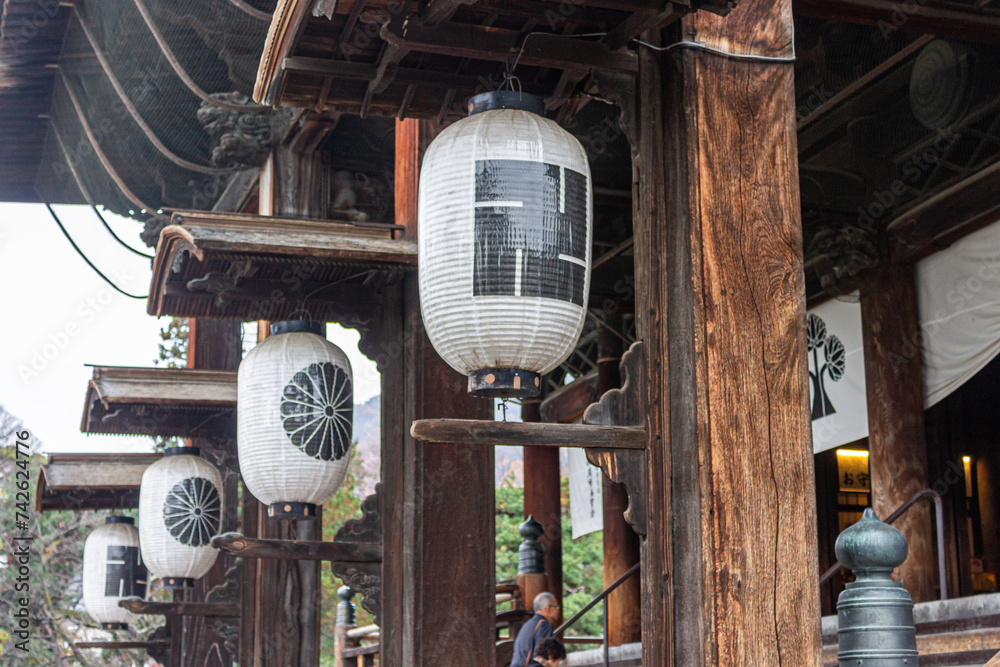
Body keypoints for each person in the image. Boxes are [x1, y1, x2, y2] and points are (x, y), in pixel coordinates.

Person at [511, 592, 559, 667]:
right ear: (547, 608)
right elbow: (540, 657)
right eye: (556, 606)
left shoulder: (527, 625)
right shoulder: (544, 625)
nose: (558, 610)